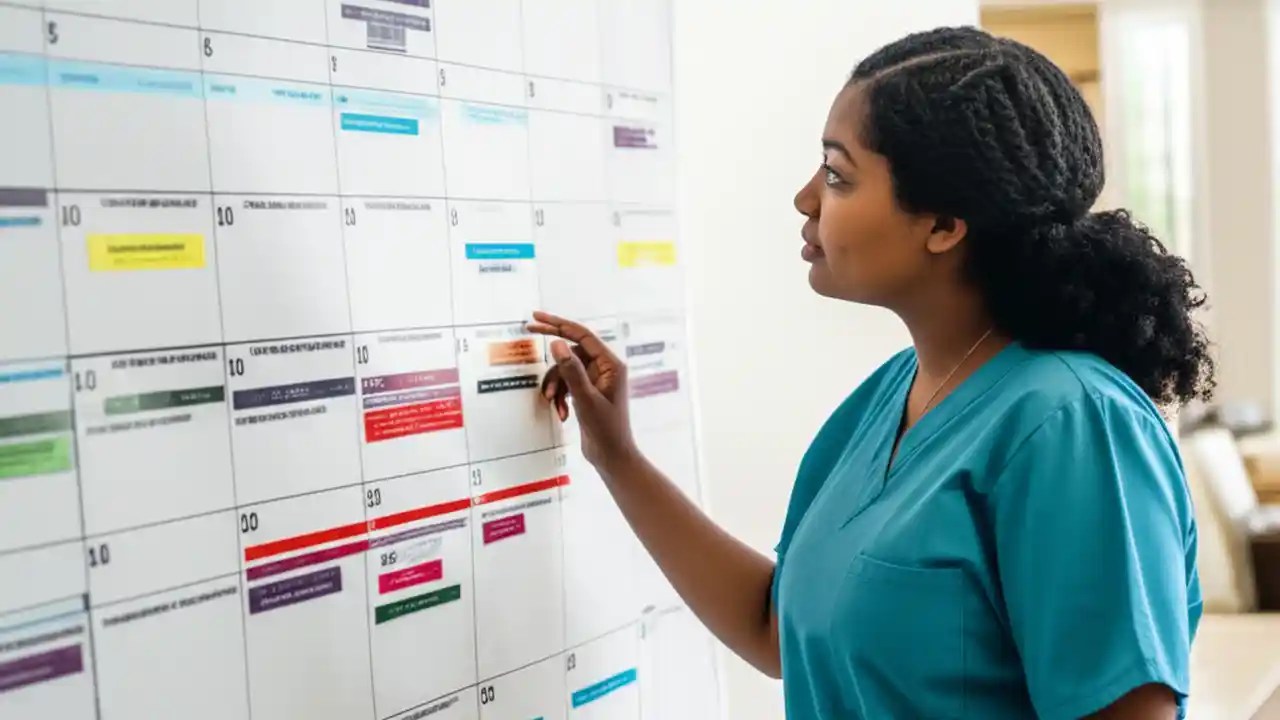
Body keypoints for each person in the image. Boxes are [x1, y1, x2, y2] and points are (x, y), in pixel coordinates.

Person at [526, 25, 1212, 720]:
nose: (805, 199)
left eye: (837, 175)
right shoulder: (888, 397)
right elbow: (777, 629)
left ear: (943, 224)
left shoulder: (1072, 424)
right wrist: (617, 457)